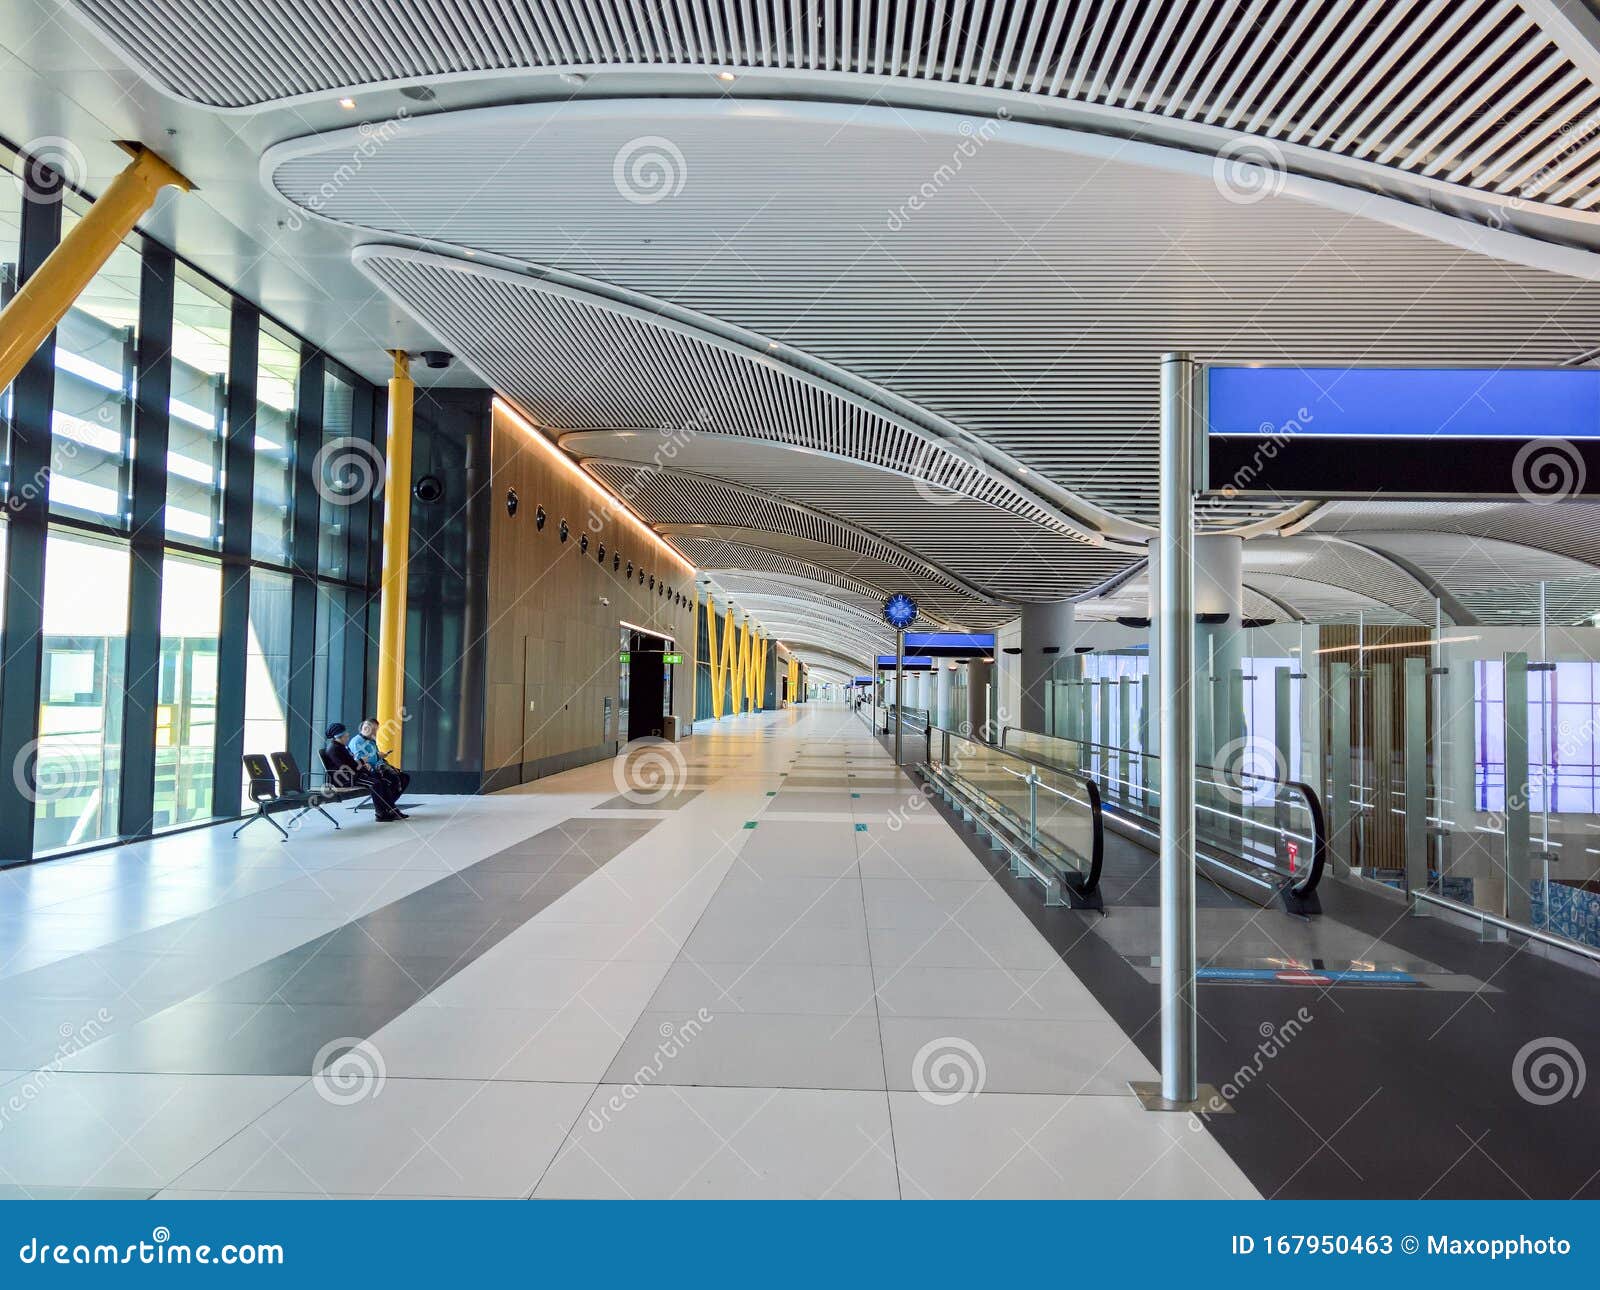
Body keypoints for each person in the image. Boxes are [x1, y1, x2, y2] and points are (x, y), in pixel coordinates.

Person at [323, 723, 405, 821]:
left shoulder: (340, 747)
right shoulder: (334, 749)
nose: (348, 736)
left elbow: (351, 763)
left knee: (382, 781)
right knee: (376, 784)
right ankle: (381, 814)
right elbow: (346, 768)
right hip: (347, 779)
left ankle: (392, 810)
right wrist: (362, 762)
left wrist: (362, 765)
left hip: (354, 775)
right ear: (340, 737)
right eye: (346, 735)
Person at [350, 718, 411, 802]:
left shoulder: (371, 741)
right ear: (365, 729)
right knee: (391, 780)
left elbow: (376, 755)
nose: (375, 732)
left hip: (378, 767)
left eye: (376, 730)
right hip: (369, 770)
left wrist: (381, 756)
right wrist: (378, 756)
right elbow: (359, 759)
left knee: (404, 777)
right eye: (374, 730)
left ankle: (388, 804)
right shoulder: (357, 741)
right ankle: (387, 805)